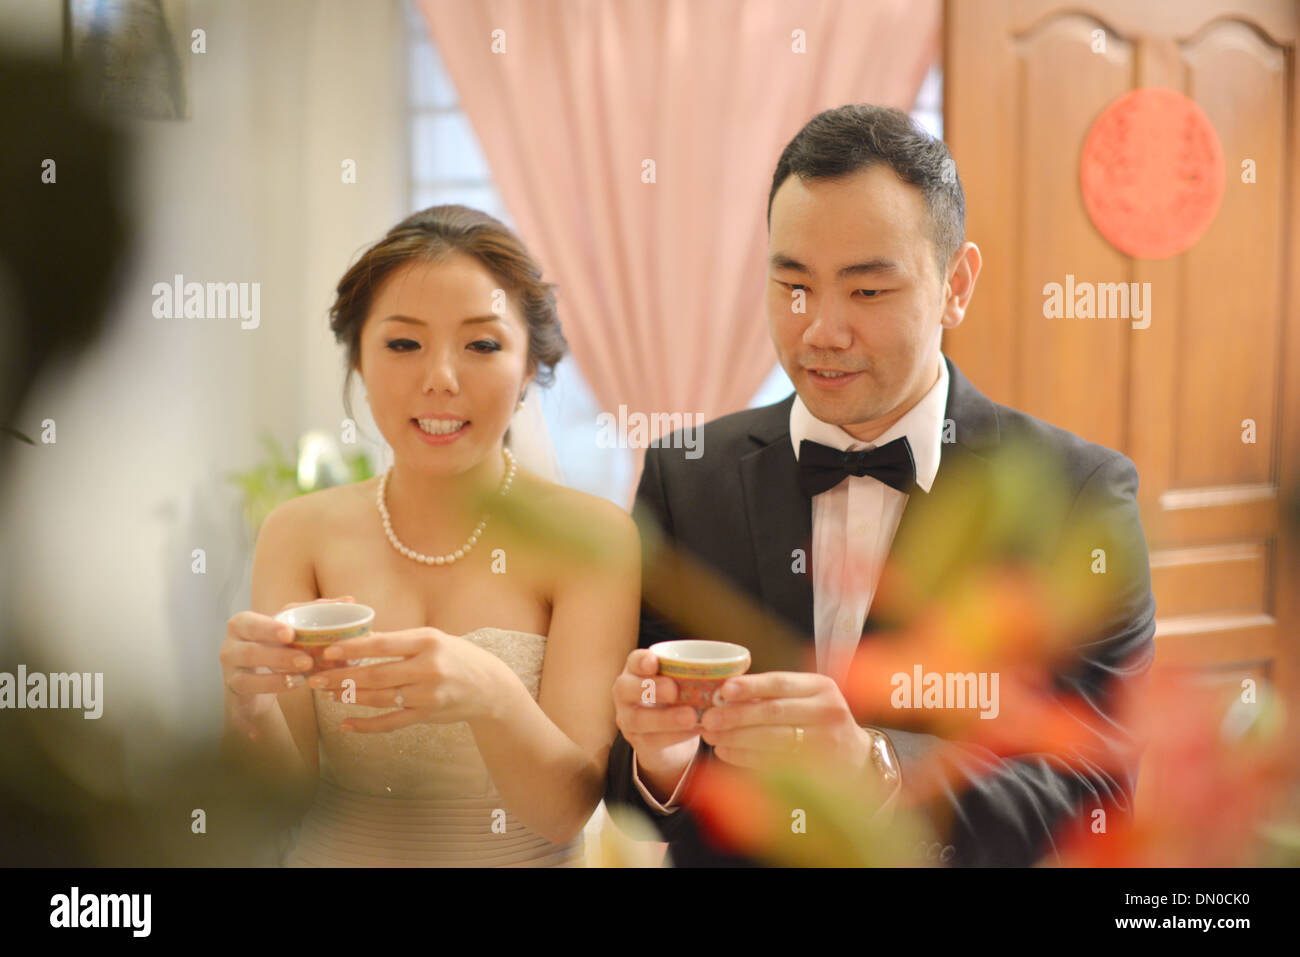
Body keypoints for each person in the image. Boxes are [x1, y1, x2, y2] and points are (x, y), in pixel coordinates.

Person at [604, 104, 1157, 867]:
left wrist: (876, 771)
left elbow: (1096, 786)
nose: (821, 329)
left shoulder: (1076, 495)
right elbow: (626, 786)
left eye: (867, 292)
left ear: (955, 284)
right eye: (793, 284)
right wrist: (660, 758)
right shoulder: (686, 474)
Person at [219, 205, 639, 866]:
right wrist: (250, 703)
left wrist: (491, 694)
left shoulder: (592, 539)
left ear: (530, 366)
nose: (440, 377)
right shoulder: (298, 532)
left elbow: (563, 812)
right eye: (404, 343)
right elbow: (282, 797)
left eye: (481, 344)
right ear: (358, 357)